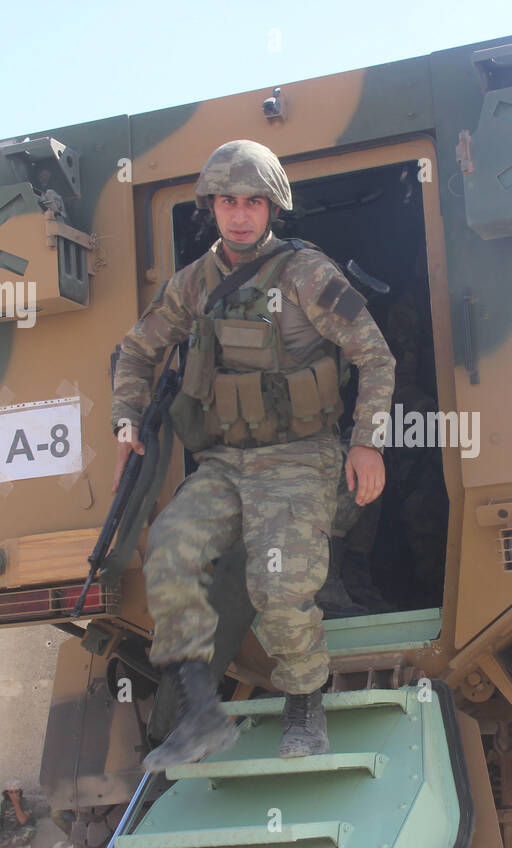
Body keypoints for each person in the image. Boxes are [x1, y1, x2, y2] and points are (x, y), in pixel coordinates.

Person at [111, 140, 394, 767]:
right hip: (225, 462)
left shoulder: (306, 274)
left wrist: (366, 442)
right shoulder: (193, 283)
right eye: (228, 201)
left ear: (273, 207)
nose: (240, 215)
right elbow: (135, 350)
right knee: (170, 549)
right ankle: (198, 713)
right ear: (212, 205)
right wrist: (126, 417)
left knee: (278, 585)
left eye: (254, 203)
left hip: (299, 457)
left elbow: (375, 356)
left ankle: (304, 704)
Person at [0, 779, 35, 848]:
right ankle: (1, 847)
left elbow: (22, 821)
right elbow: (3, 820)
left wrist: (16, 803)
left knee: (29, 831)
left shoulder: (24, 802)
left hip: (19, 831)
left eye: (16, 792)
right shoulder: (4, 803)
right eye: (11, 792)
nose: (14, 794)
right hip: (7, 832)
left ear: (20, 792)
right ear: (7, 793)